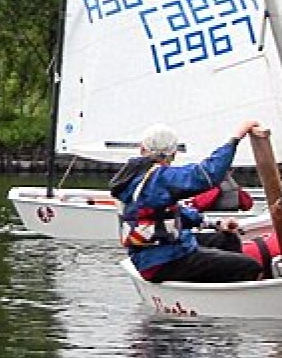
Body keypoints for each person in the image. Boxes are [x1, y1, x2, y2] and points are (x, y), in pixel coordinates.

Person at [111, 120, 265, 283]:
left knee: (227, 238)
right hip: (162, 261)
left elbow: (172, 213)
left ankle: (212, 281)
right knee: (250, 267)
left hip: (153, 255)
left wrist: (215, 223)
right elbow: (207, 174)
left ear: (142, 149)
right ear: (174, 153)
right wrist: (237, 137)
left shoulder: (133, 177)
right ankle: (222, 295)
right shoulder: (160, 179)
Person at [188, 173, 253, 213]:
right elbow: (247, 205)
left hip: (217, 213)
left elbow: (201, 204)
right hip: (233, 212)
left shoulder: (217, 184)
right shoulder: (235, 186)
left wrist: (192, 205)